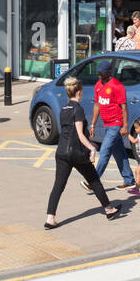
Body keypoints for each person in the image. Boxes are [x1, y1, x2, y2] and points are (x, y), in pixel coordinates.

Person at [44, 78, 120, 229]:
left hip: (61, 153)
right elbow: (79, 134)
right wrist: (92, 149)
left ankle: (50, 218)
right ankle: (109, 209)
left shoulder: (64, 109)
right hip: (76, 153)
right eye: (82, 92)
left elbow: (68, 133)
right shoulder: (77, 109)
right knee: (94, 180)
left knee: (58, 186)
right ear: (79, 92)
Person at [88, 61, 135, 192]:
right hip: (106, 124)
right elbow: (97, 105)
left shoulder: (117, 86)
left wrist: (125, 126)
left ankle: (93, 182)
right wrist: (92, 124)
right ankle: (129, 180)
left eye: (102, 74)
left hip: (116, 124)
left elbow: (124, 108)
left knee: (104, 151)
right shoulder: (98, 85)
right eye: (98, 73)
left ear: (109, 72)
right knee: (119, 153)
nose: (99, 76)